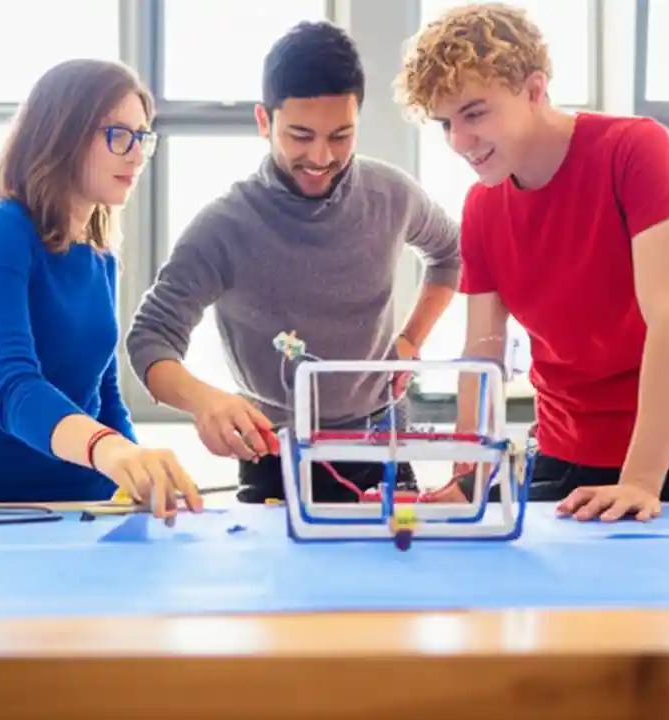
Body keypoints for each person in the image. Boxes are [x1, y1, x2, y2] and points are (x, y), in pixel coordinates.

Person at [394, 3, 669, 522]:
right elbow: (482, 354)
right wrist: (469, 472)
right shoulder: (482, 206)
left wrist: (640, 481)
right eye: (445, 123)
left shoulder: (635, 150)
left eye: (475, 113)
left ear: (534, 89)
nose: (459, 141)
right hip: (560, 455)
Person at [127, 21, 461, 504]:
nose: (321, 156)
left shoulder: (391, 193)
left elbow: (450, 254)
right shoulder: (225, 225)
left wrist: (411, 338)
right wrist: (206, 401)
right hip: (272, 455)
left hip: (381, 439)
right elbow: (149, 339)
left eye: (341, 135)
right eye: (300, 135)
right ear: (264, 122)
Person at [0, 59, 201, 522]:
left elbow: (104, 395)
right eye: (119, 135)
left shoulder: (99, 257)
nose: (136, 155)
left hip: (87, 505)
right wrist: (111, 451)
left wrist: (137, 474)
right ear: (63, 135)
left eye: (142, 137)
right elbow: (10, 387)